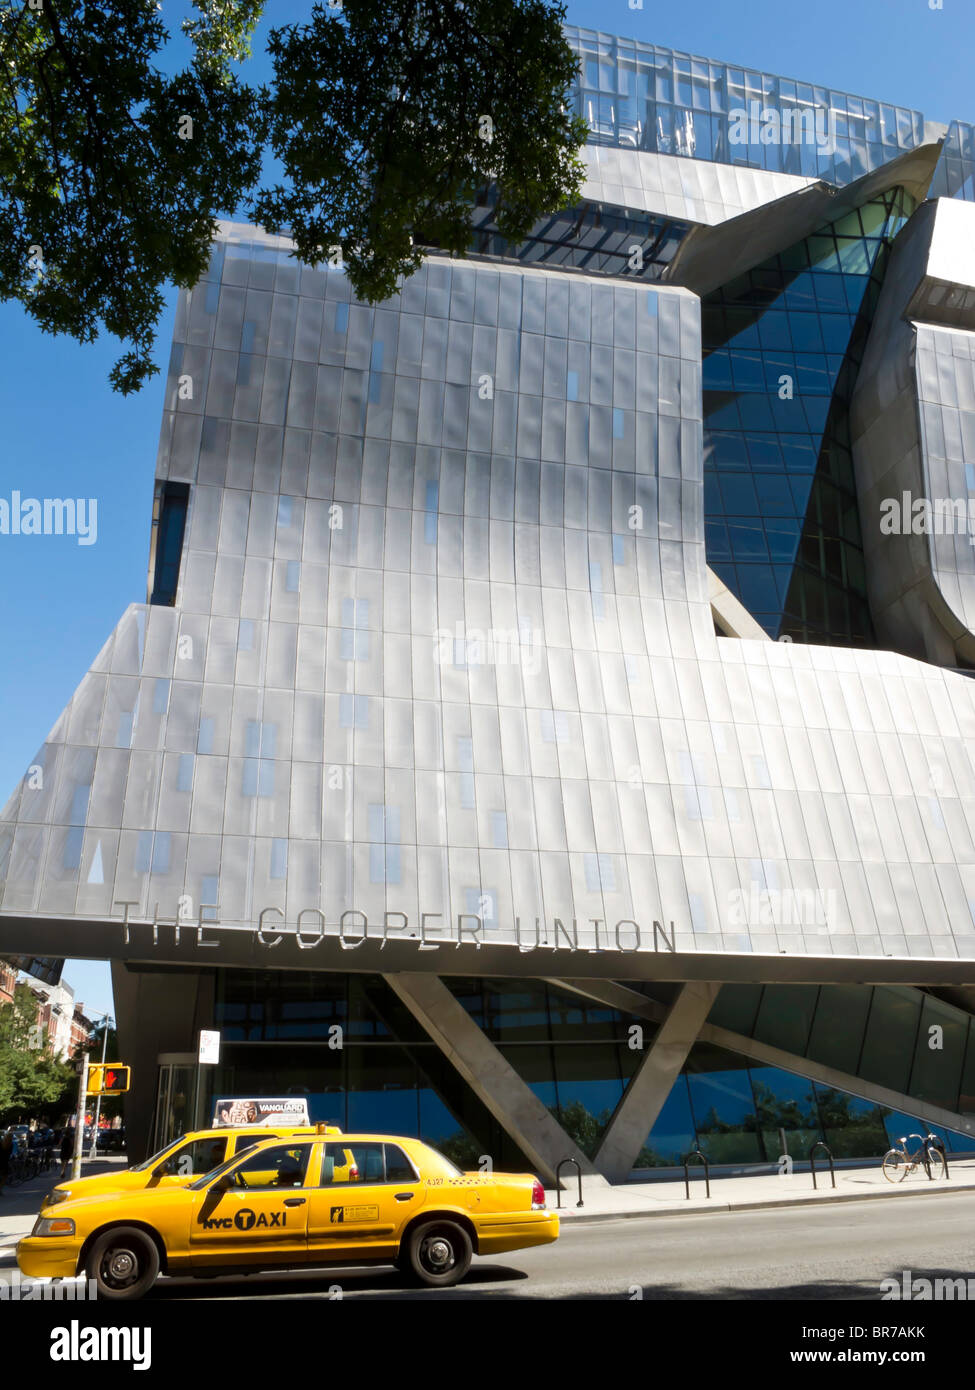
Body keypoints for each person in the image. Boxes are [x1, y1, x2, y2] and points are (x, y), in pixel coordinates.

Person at [0, 1129, 12, 1195]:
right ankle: (0, 1188)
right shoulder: (11, 1144)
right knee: (5, 1176)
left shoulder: (1, 1143)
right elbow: (9, 1153)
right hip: (5, 1162)